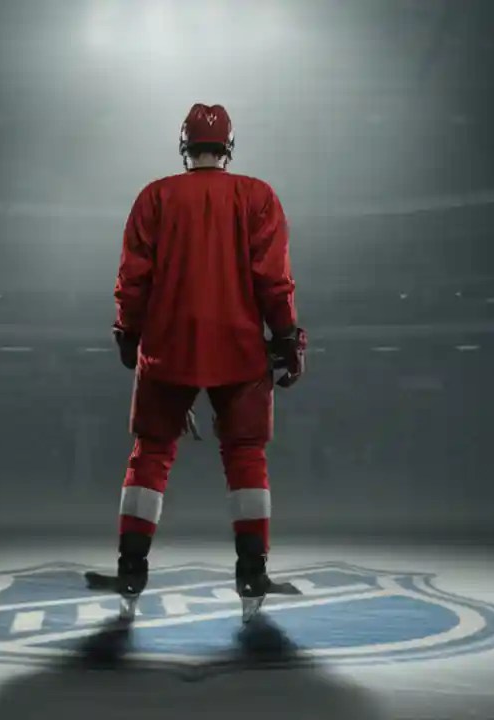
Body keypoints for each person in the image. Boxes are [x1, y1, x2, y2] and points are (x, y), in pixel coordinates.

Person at [94, 103, 307, 623]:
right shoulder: (257, 196)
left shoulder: (155, 196)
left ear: (184, 144)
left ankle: (131, 568)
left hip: (167, 345)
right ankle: (252, 571)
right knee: (245, 456)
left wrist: (129, 333)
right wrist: (285, 337)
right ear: (229, 145)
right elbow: (272, 279)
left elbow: (132, 278)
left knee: (150, 454)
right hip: (239, 348)